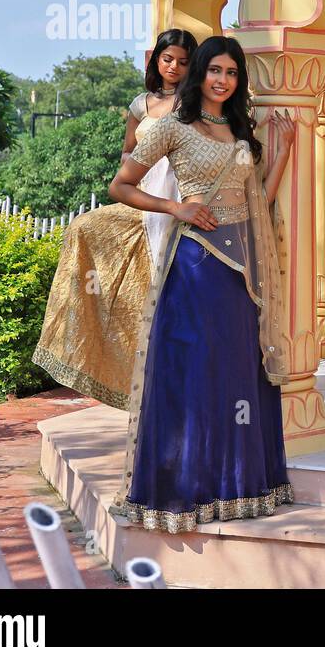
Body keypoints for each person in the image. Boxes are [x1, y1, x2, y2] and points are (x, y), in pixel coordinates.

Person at [107, 35, 296, 533]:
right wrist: (176, 207)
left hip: (240, 273)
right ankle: (182, 488)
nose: (222, 80)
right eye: (215, 70)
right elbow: (121, 184)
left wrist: (281, 155)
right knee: (191, 373)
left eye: (232, 73)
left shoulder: (239, 128)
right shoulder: (172, 127)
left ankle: (236, 488)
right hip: (194, 263)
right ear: (199, 74)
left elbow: (259, 200)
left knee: (236, 372)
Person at [32, 29, 195, 409]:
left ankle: (173, 384)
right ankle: (85, 343)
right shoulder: (141, 104)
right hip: (144, 192)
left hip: (181, 194)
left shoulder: (197, 102)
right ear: (155, 60)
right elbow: (127, 153)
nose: (174, 67)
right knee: (83, 227)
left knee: (164, 285)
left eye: (184, 61)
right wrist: (139, 167)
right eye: (167, 59)